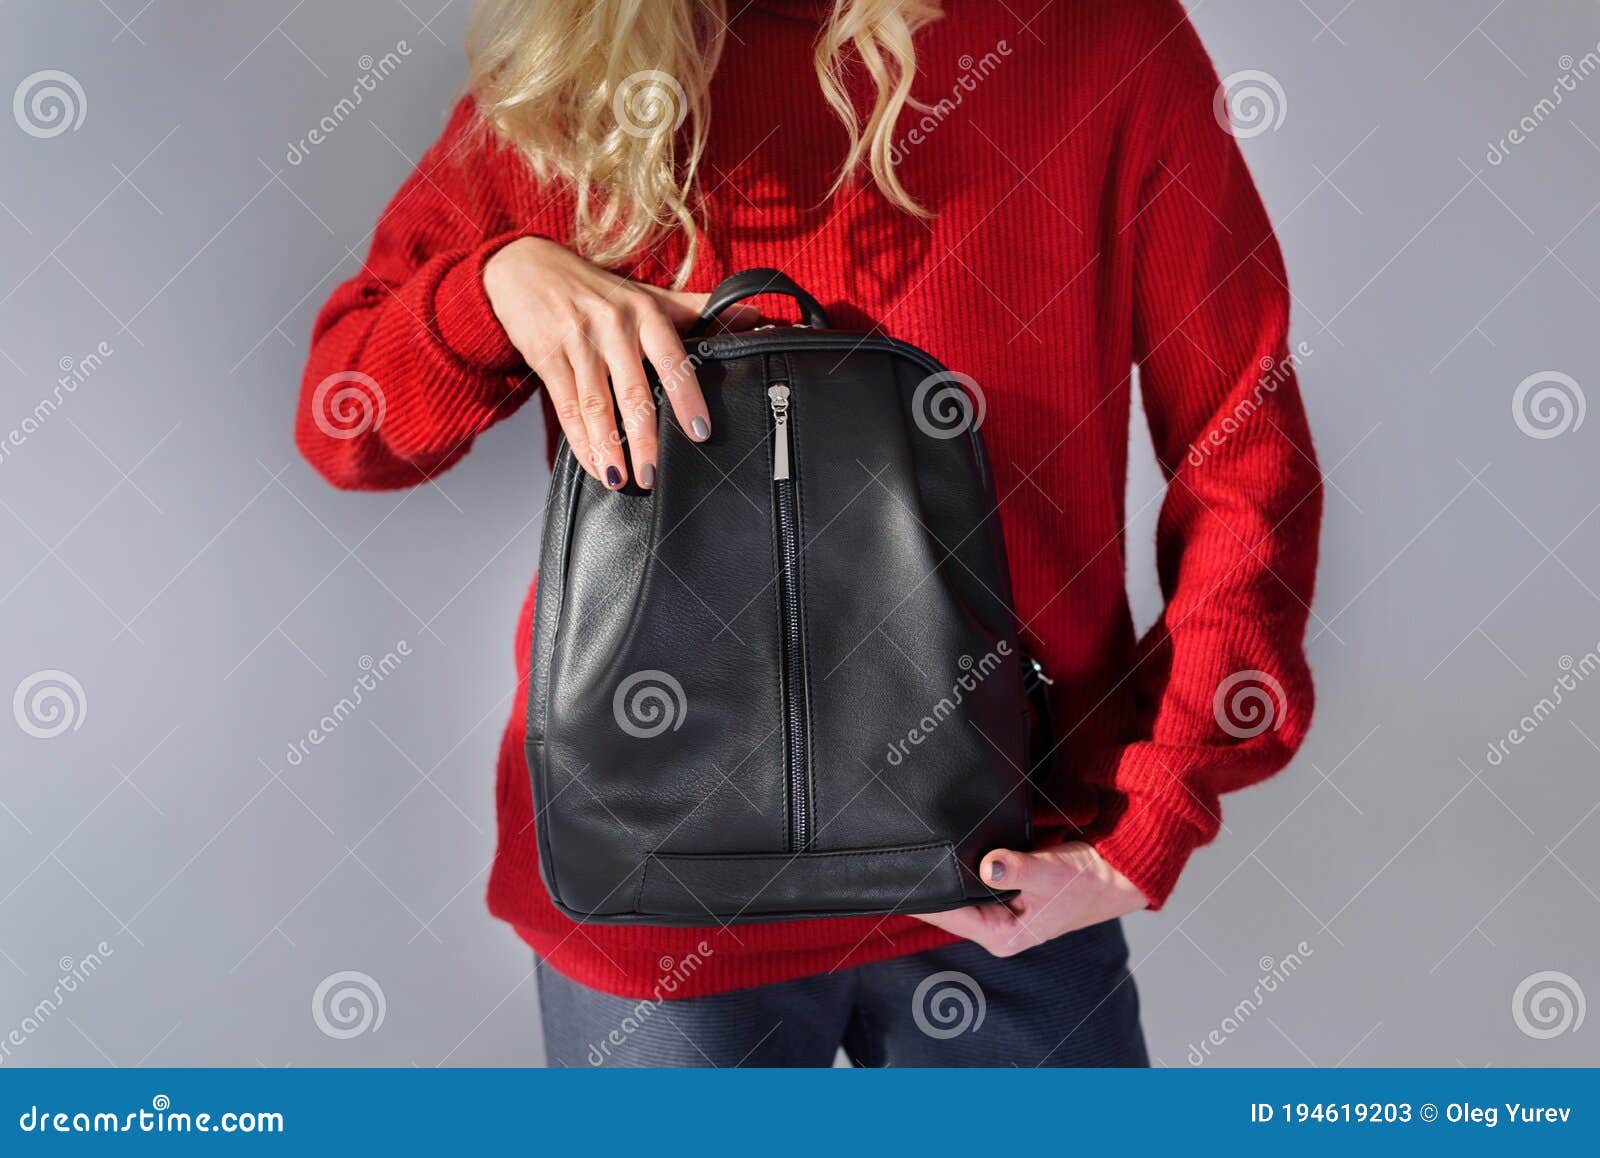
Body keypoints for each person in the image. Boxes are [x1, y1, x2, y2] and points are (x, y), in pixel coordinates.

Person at [296, 0, 1320, 1067]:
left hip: (1013, 871)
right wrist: (492, 289)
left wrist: (1153, 811)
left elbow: (1243, 449)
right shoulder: (586, 60)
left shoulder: (1092, 34)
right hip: (660, 905)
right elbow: (347, 425)